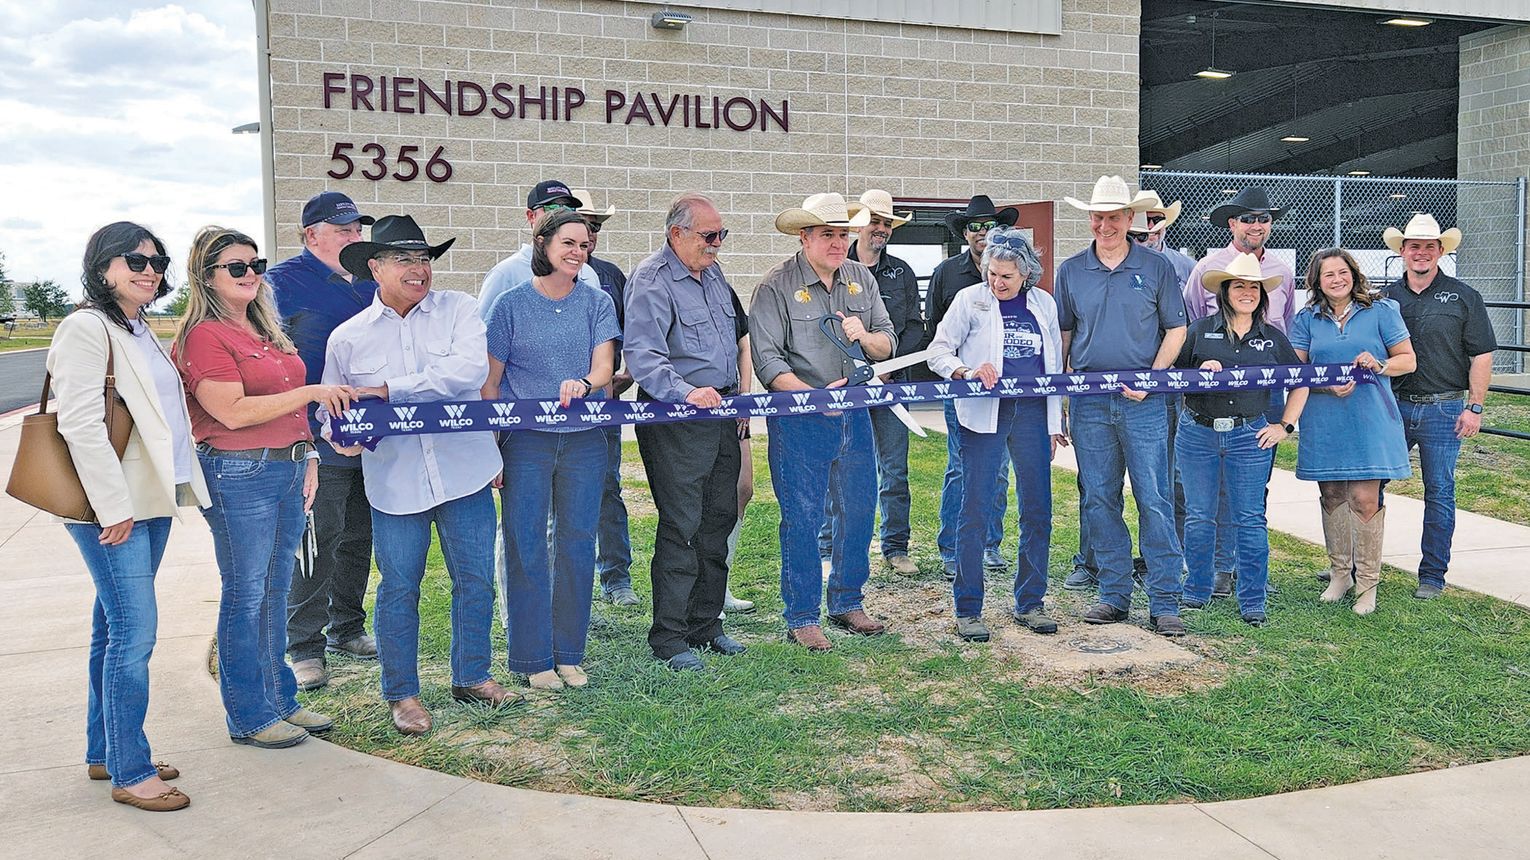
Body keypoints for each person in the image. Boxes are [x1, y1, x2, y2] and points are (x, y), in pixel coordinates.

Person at [325, 215, 515, 735]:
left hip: (465, 472)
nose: (419, 269)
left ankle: (472, 676)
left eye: (425, 259)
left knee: (475, 580)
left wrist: (388, 392)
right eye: (404, 259)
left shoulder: (460, 310)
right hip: (395, 483)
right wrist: (343, 433)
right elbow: (331, 410)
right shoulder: (347, 339)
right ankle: (402, 694)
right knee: (398, 587)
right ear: (375, 268)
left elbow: (468, 372)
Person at [51, 222, 210, 811]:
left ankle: (106, 750)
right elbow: (80, 422)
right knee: (134, 633)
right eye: (135, 260)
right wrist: (110, 507)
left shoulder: (138, 327)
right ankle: (131, 771)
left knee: (112, 626)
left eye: (157, 262)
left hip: (152, 498)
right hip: (115, 507)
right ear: (103, 266)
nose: (150, 270)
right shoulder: (86, 327)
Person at [173, 226, 347, 749]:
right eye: (236, 267)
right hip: (239, 473)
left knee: (274, 592)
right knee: (247, 595)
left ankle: (279, 701)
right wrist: (313, 392)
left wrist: (307, 454)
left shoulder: (262, 327)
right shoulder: (205, 335)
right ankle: (249, 715)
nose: (250, 274)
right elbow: (231, 411)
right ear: (207, 276)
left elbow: (284, 404)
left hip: (287, 468)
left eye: (256, 264)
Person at [750, 192, 895, 651]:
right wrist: (812, 398)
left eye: (843, 234)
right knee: (803, 517)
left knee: (859, 510)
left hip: (855, 412)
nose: (838, 243)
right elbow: (768, 361)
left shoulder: (860, 278)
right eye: (827, 234)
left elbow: (887, 343)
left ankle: (848, 601)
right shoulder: (775, 286)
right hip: (801, 418)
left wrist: (865, 335)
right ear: (804, 236)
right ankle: (802, 616)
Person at [483, 208, 619, 688]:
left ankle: (568, 653)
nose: (578, 252)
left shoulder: (597, 301)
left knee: (578, 543)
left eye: (585, 245)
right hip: (525, 442)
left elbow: (604, 367)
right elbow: (490, 384)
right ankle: (532, 658)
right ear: (543, 243)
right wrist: (491, 448)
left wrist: (584, 383)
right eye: (568, 243)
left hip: (584, 440)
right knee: (525, 545)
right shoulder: (510, 305)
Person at [1055, 175, 1188, 637]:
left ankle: (1164, 599)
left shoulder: (1156, 267)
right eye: (1098, 217)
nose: (1104, 225)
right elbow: (1065, 334)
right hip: (1090, 400)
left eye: (1113, 217)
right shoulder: (1071, 270)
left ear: (1130, 219)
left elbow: (1176, 329)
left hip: (1144, 402)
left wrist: (1153, 377)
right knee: (1098, 497)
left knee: (1154, 496)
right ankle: (1114, 593)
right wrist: (1064, 393)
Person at [623, 193, 749, 670]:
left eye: (722, 235)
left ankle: (706, 623)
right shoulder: (651, 280)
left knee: (719, 517)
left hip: (721, 412)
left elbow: (733, 339)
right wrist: (686, 392)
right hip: (675, 415)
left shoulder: (713, 274)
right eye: (709, 235)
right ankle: (670, 637)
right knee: (683, 524)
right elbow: (643, 356)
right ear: (676, 234)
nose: (717, 244)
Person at [928, 227, 1065, 641]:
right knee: (976, 509)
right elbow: (938, 350)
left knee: (1037, 509)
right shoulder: (969, 300)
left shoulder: (1044, 303)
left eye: (1007, 276)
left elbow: (1054, 365)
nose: (997, 283)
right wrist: (966, 371)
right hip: (984, 413)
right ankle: (968, 608)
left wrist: (1054, 423)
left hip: (1032, 413)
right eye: (992, 273)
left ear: (1027, 274)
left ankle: (1030, 602)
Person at [266, 191, 378, 691]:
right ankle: (305, 647)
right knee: (318, 538)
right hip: (315, 434)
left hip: (370, 432)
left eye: (357, 229)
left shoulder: (370, 279)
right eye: (343, 229)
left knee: (358, 535)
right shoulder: (281, 284)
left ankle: (347, 628)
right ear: (312, 235)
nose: (355, 237)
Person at [1173, 253, 1310, 625]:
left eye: (1254, 287)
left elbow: (1302, 381)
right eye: (1239, 286)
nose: (1247, 292)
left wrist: (1285, 426)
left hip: (1249, 435)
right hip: (1197, 432)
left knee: (1249, 518)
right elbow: (1173, 374)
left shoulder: (1273, 338)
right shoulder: (1199, 331)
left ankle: (1252, 599)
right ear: (1225, 291)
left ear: (1262, 294)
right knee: (1199, 515)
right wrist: (1199, 370)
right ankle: (1196, 589)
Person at [1183, 187, 1300, 599]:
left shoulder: (1283, 271)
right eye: (1248, 218)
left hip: (1262, 393)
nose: (1256, 225)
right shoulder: (1206, 268)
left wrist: (1285, 423)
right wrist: (1202, 369)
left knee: (1251, 491)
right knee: (1206, 500)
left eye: (1263, 218)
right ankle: (1214, 571)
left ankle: (1244, 576)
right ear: (1232, 223)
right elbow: (1190, 331)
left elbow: (1285, 328)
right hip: (1208, 399)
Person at [1289, 248, 1416, 615]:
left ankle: (1368, 584)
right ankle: (1340, 574)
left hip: (1370, 418)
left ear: (1354, 274)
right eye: (1328, 274)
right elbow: (1296, 373)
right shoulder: (1306, 319)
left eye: (1342, 272)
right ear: (1317, 281)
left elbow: (1408, 360)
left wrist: (1379, 364)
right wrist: (1324, 385)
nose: (1337, 279)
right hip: (1324, 419)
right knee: (1331, 494)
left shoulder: (1381, 310)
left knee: (1363, 497)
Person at [1381, 215, 1497, 600]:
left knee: (1440, 491)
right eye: (1414, 245)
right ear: (1402, 251)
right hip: (1392, 406)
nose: (1421, 252)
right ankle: (1356, 564)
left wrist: (1475, 407)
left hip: (1443, 408)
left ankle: (1432, 575)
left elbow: (1482, 354)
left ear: (1441, 250)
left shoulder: (1464, 297)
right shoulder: (1384, 299)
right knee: (1369, 484)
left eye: (1429, 246)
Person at [818, 190, 925, 576]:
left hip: (892, 385)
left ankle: (895, 547)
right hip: (844, 386)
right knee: (837, 465)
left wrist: (888, 368)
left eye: (886, 224)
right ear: (858, 225)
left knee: (894, 469)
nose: (881, 229)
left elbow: (914, 327)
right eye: (874, 221)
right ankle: (829, 546)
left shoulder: (902, 273)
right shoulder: (834, 268)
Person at [927, 195, 1016, 579]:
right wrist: (960, 371)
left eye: (989, 225)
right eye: (975, 226)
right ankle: (952, 547)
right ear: (965, 233)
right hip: (962, 390)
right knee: (960, 469)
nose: (983, 232)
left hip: (1005, 393)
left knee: (999, 470)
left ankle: (990, 544)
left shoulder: (1015, 273)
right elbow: (936, 333)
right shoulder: (948, 274)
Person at [573, 190, 638, 606]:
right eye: (584, 225)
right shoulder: (533, 274)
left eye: (595, 227)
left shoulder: (612, 276)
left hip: (604, 402)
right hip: (556, 406)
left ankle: (616, 577)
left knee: (608, 488)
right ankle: (568, 583)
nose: (591, 234)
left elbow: (634, 332)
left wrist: (627, 374)